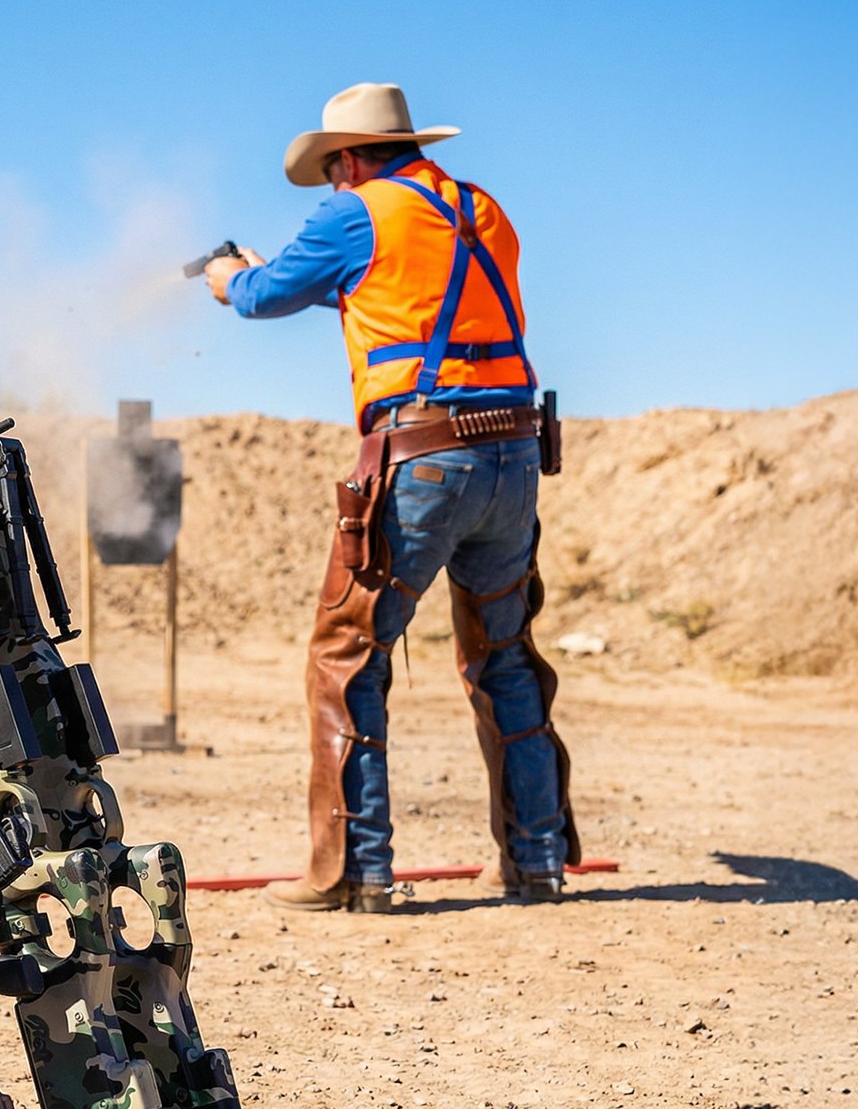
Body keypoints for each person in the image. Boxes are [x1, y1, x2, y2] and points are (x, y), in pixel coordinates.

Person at [204, 82, 579, 912]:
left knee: (348, 656)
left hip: (425, 453)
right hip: (516, 453)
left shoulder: (357, 211)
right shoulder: (480, 207)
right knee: (503, 655)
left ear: (346, 158)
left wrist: (228, 276)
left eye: (334, 170)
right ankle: (537, 862)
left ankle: (354, 871)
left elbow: (266, 297)